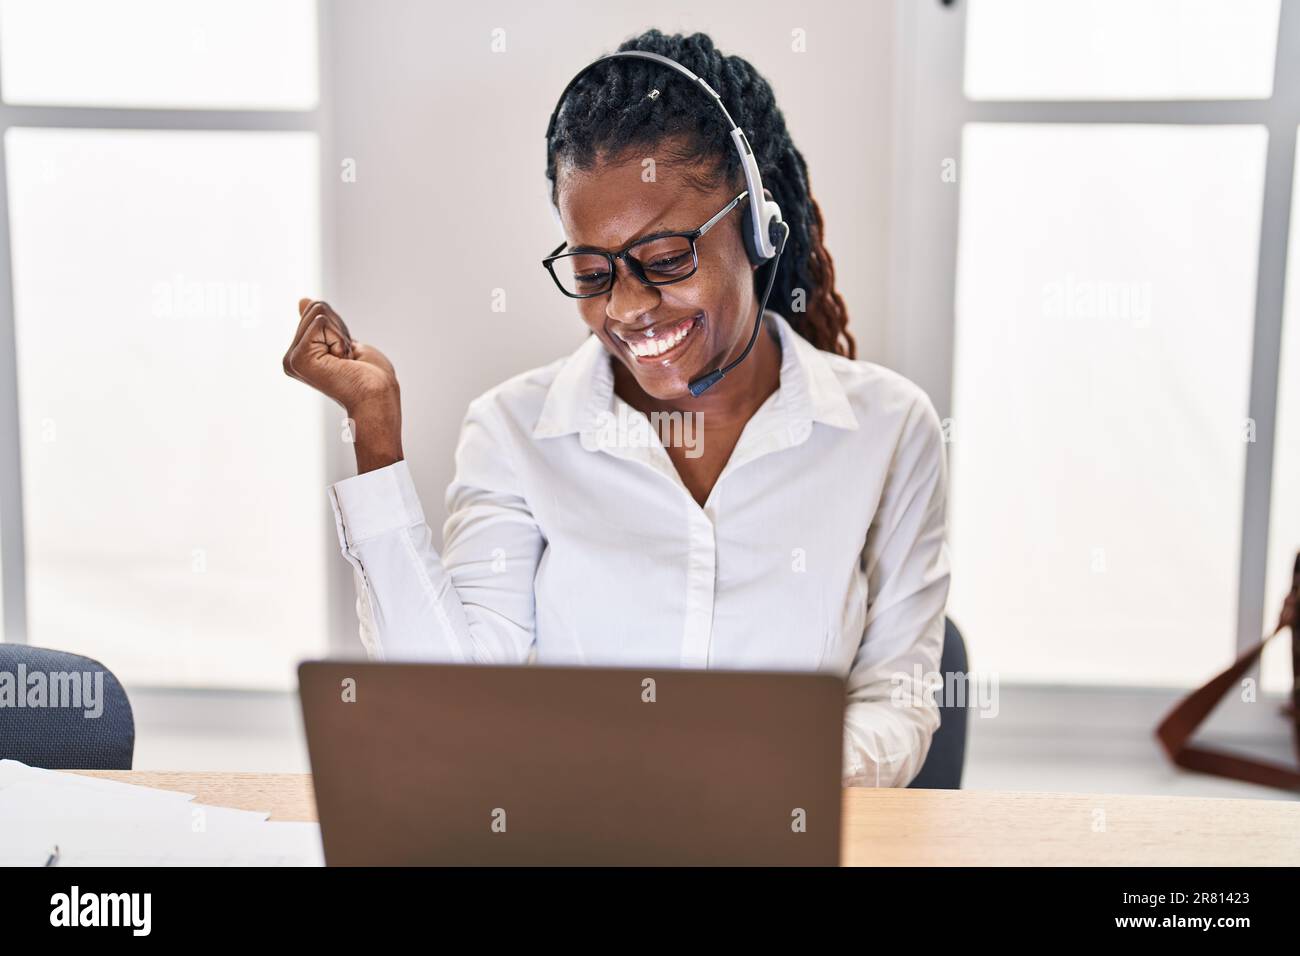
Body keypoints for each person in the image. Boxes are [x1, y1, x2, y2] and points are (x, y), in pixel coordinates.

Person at [282, 29, 950, 787]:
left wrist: (771, 789)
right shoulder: (514, 431)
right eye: (594, 274)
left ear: (759, 225)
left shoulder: (890, 431)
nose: (629, 308)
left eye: (666, 261)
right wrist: (375, 433)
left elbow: (897, 699)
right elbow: (445, 691)